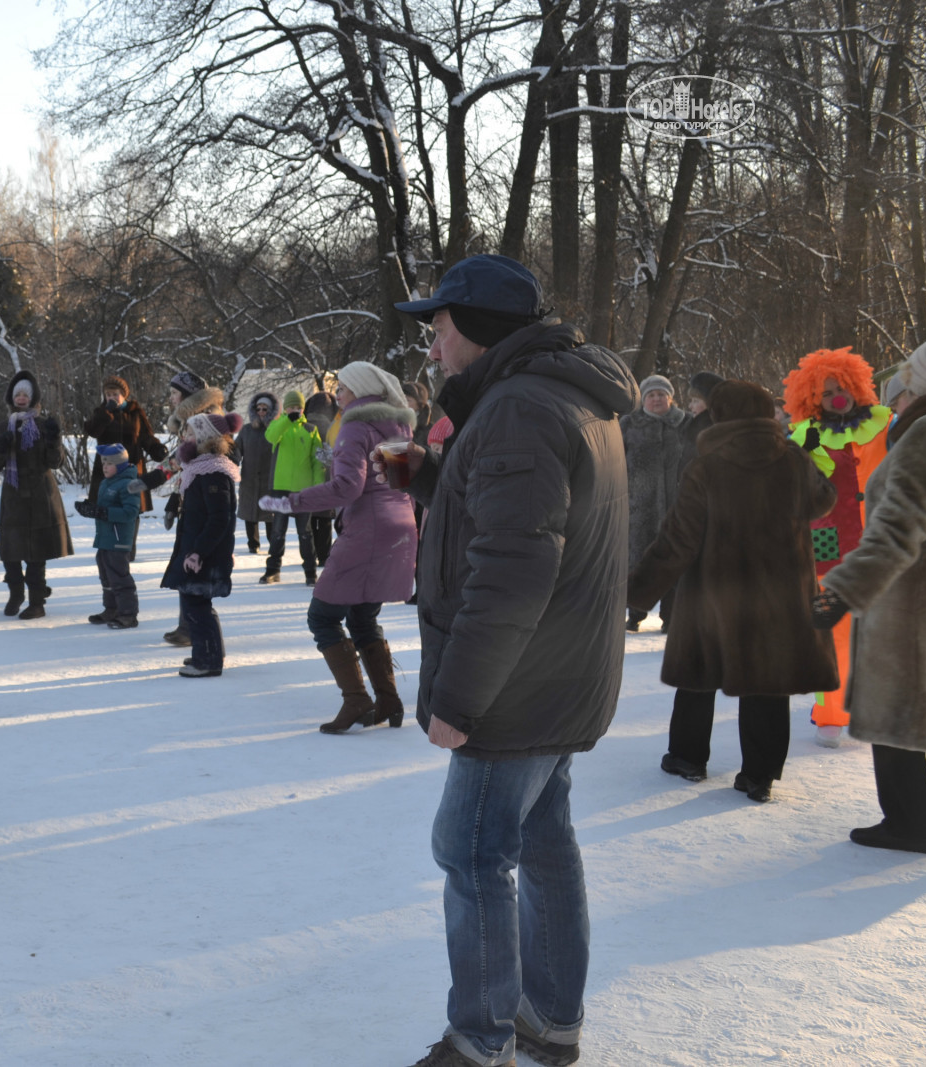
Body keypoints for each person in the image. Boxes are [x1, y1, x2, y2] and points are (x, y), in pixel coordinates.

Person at [393, 253, 636, 1067]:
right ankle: (550, 1017)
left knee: (471, 850)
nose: (433, 347)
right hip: (555, 671)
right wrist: (426, 474)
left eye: (440, 328)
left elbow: (512, 568)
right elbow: (513, 518)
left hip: (518, 683)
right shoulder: (551, 395)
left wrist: (458, 698)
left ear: (477, 328)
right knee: (542, 837)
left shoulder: (519, 408)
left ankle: (481, 1038)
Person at [628, 381, 839, 803]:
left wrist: (637, 591)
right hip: (779, 593)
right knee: (768, 678)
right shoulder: (793, 460)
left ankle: (687, 758)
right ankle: (759, 776)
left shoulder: (707, 467)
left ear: (719, 416)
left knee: (699, 670)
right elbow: (823, 501)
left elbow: (678, 539)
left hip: (714, 592)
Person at [816, 352, 926, 854]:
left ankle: (911, 823)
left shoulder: (923, 432)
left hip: (908, 597)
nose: (898, 398)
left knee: (895, 713)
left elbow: (897, 529)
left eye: (906, 386)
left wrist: (841, 590)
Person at [261, 362, 416, 732]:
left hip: (367, 532)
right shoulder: (397, 425)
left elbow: (348, 487)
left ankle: (357, 700)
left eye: (342, 387)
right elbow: (401, 483)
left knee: (322, 616)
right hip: (399, 527)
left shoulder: (355, 427)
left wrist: (292, 502)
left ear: (360, 389)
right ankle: (389, 701)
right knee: (362, 618)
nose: (337, 395)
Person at [783, 346, 893, 747]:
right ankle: (831, 713)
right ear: (813, 399)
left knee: (883, 631)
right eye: (826, 393)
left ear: (857, 387)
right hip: (828, 543)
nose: (836, 398)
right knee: (833, 633)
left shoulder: (885, 424)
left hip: (881, 542)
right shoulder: (803, 436)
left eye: (841, 389)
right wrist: (804, 453)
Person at [0, 370, 72, 619]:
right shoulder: (2, 427)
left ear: (33, 398)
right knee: (11, 552)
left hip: (40, 495)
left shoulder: (43, 425)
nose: (21, 398)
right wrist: (0, 448)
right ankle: (16, 593)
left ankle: (36, 602)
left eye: (26, 394)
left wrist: (54, 440)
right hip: (13, 496)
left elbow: (55, 463)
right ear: (11, 398)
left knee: (37, 553)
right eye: (17, 394)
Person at [162, 412, 243, 677]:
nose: (185, 437)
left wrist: (198, 552)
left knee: (196, 605)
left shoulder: (214, 473)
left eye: (191, 433)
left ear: (205, 438)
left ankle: (208, 661)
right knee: (197, 603)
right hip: (197, 549)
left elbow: (219, 518)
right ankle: (210, 652)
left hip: (205, 553)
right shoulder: (198, 469)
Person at [160, 372, 226, 646]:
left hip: (204, 504)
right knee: (185, 565)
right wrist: (175, 500)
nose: (171, 398)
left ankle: (196, 630)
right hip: (191, 500)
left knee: (195, 567)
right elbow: (184, 467)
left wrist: (155, 477)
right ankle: (187, 624)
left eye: (175, 393)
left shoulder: (206, 421)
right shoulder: (188, 421)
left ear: (188, 395)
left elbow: (189, 463)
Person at [621, 374, 689, 631]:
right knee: (639, 560)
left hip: (678, 504)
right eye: (651, 395)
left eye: (661, 394)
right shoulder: (629, 424)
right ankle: (635, 614)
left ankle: (671, 617)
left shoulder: (686, 424)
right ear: (643, 399)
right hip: (639, 507)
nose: (656, 399)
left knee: (675, 560)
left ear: (671, 397)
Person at [261, 389, 326, 585]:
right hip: (280, 486)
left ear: (303, 409)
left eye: (298, 407)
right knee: (278, 531)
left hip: (303, 489)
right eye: (291, 407)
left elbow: (317, 460)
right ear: (285, 408)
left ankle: (310, 572)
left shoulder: (310, 429)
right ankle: (272, 570)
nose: (295, 410)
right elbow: (270, 437)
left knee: (305, 532)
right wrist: (287, 420)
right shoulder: (279, 426)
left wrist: (318, 487)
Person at [81, 375, 166, 513]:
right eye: (108, 395)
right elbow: (92, 431)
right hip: (107, 470)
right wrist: (105, 414)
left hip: (131, 469)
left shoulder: (135, 413)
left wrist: (157, 449)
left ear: (124, 395)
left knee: (131, 509)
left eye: (115, 394)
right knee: (106, 511)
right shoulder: (101, 412)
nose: (111, 398)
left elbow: (146, 437)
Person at [89, 443, 143, 628]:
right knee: (106, 576)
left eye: (109, 463)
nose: (105, 467)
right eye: (103, 463)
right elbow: (106, 508)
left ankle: (128, 614)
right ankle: (111, 609)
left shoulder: (129, 484)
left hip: (119, 540)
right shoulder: (106, 482)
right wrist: (92, 509)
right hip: (105, 538)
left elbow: (130, 512)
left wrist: (104, 512)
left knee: (119, 577)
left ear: (120, 465)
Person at [235, 392, 279, 554]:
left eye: (264, 409)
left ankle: (273, 543)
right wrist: (231, 463)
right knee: (250, 512)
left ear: (271, 411)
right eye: (258, 409)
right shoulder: (246, 430)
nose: (261, 412)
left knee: (270, 514)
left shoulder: (277, 430)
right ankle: (253, 545)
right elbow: (236, 450)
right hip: (249, 479)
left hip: (270, 479)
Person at [303, 389, 339, 567]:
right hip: (327, 478)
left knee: (308, 521)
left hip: (305, 478)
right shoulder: (334, 427)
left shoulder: (304, 426)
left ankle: (310, 555)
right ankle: (324, 555)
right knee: (324, 520)